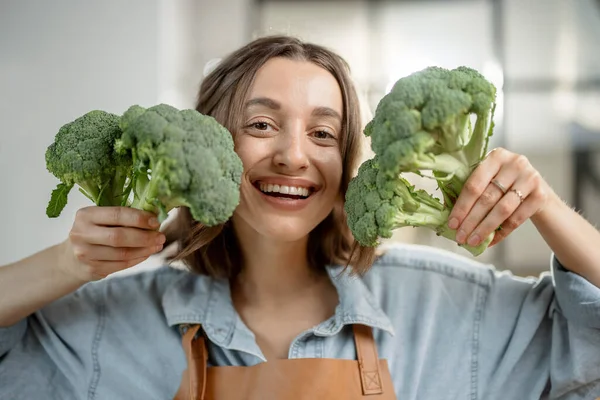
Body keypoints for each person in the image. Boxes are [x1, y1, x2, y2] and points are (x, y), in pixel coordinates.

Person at [1, 35, 599, 400]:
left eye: (322, 132)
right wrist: (66, 262)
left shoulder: (442, 305)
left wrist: (545, 207)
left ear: (346, 162)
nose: (293, 154)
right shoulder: (116, 322)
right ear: (210, 141)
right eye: (261, 124)